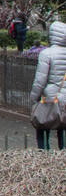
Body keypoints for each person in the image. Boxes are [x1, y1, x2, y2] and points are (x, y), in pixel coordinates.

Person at [29, 21, 66, 150]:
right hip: (65, 101)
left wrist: (34, 99)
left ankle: (44, 155)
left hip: (49, 99)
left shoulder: (46, 54)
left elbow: (40, 81)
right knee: (63, 129)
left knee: (42, 125)